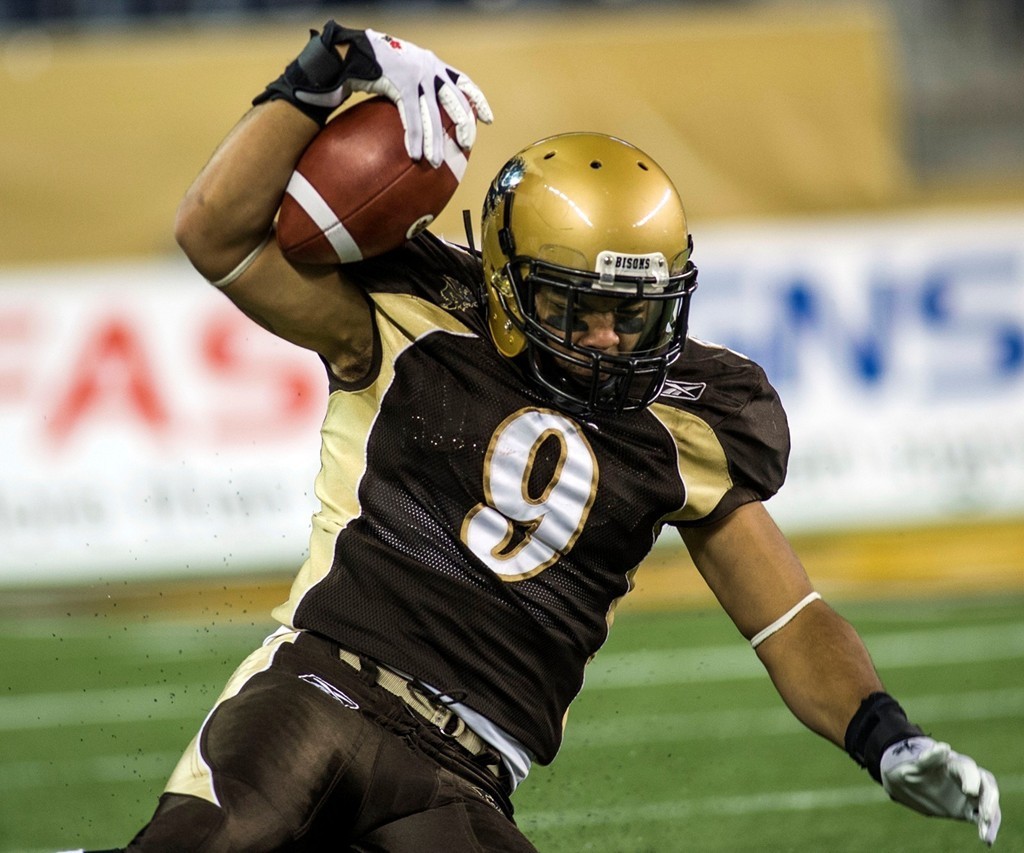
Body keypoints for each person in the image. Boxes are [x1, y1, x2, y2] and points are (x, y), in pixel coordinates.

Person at [78, 20, 1001, 852]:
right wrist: (328, 71)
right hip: (321, 689)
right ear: (506, 282)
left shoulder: (692, 416)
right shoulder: (410, 317)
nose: (607, 338)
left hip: (463, 775)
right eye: (575, 308)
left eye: (633, 313)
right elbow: (215, 231)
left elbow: (789, 619)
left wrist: (887, 737)